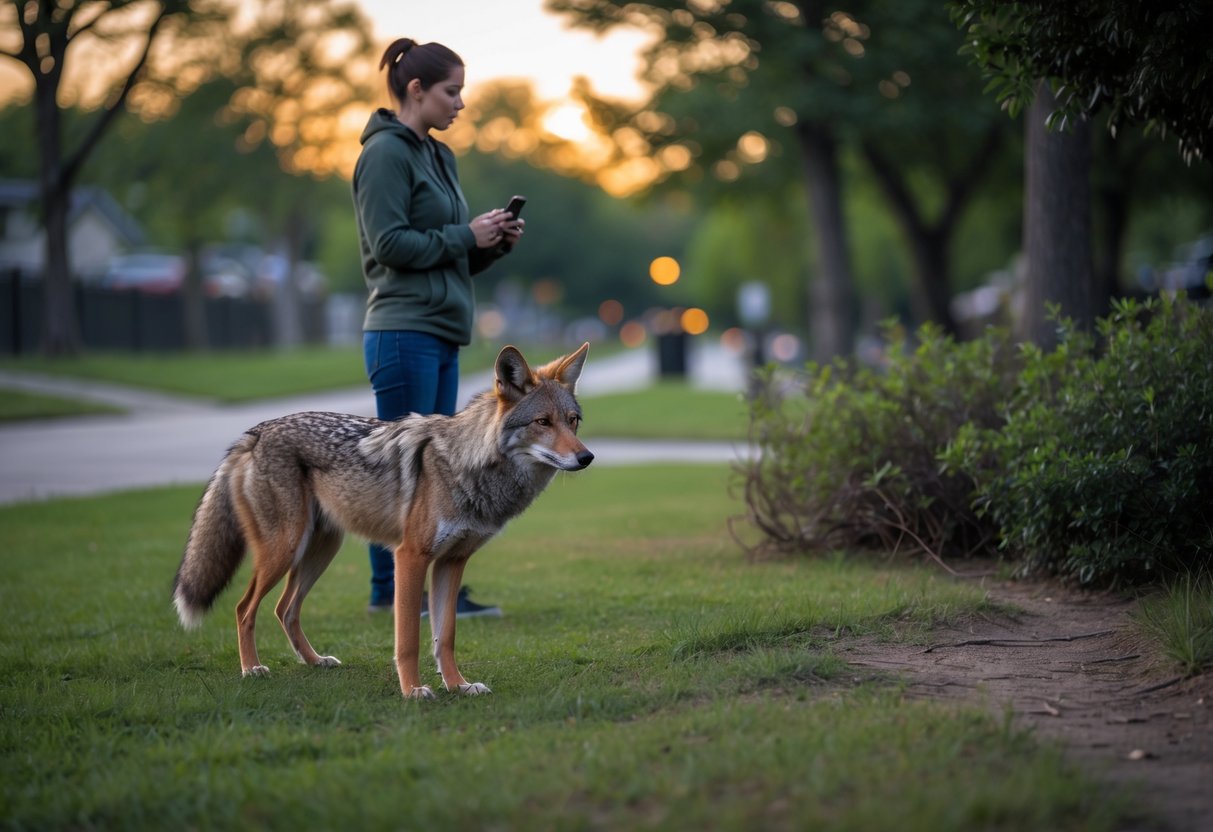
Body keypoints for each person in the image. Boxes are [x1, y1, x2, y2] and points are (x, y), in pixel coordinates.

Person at [352, 37, 521, 616]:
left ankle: (428, 590)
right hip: (402, 331)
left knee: (435, 471)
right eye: (452, 92)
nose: (461, 103)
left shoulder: (437, 156)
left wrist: (490, 246)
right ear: (416, 90)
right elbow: (390, 245)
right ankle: (388, 593)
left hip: (443, 332)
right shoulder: (384, 155)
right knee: (398, 472)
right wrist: (463, 236)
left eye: (462, 92)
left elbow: (449, 252)